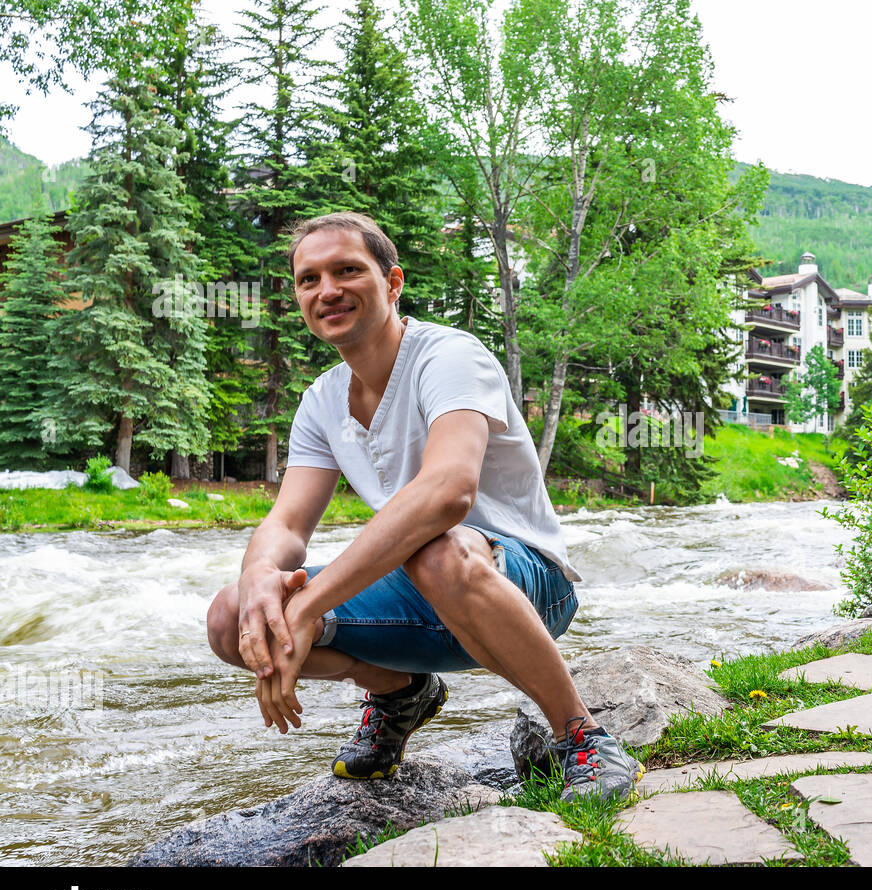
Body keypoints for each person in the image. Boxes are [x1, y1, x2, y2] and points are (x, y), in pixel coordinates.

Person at [205, 211, 643, 802]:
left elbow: (447, 494)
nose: (327, 290)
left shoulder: (448, 356)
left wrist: (308, 606)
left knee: (439, 551)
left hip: (526, 584)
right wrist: (260, 580)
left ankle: (583, 738)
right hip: (418, 593)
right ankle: (402, 692)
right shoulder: (322, 400)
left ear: (392, 283)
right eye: (309, 279)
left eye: (347, 271)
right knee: (235, 616)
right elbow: (285, 523)